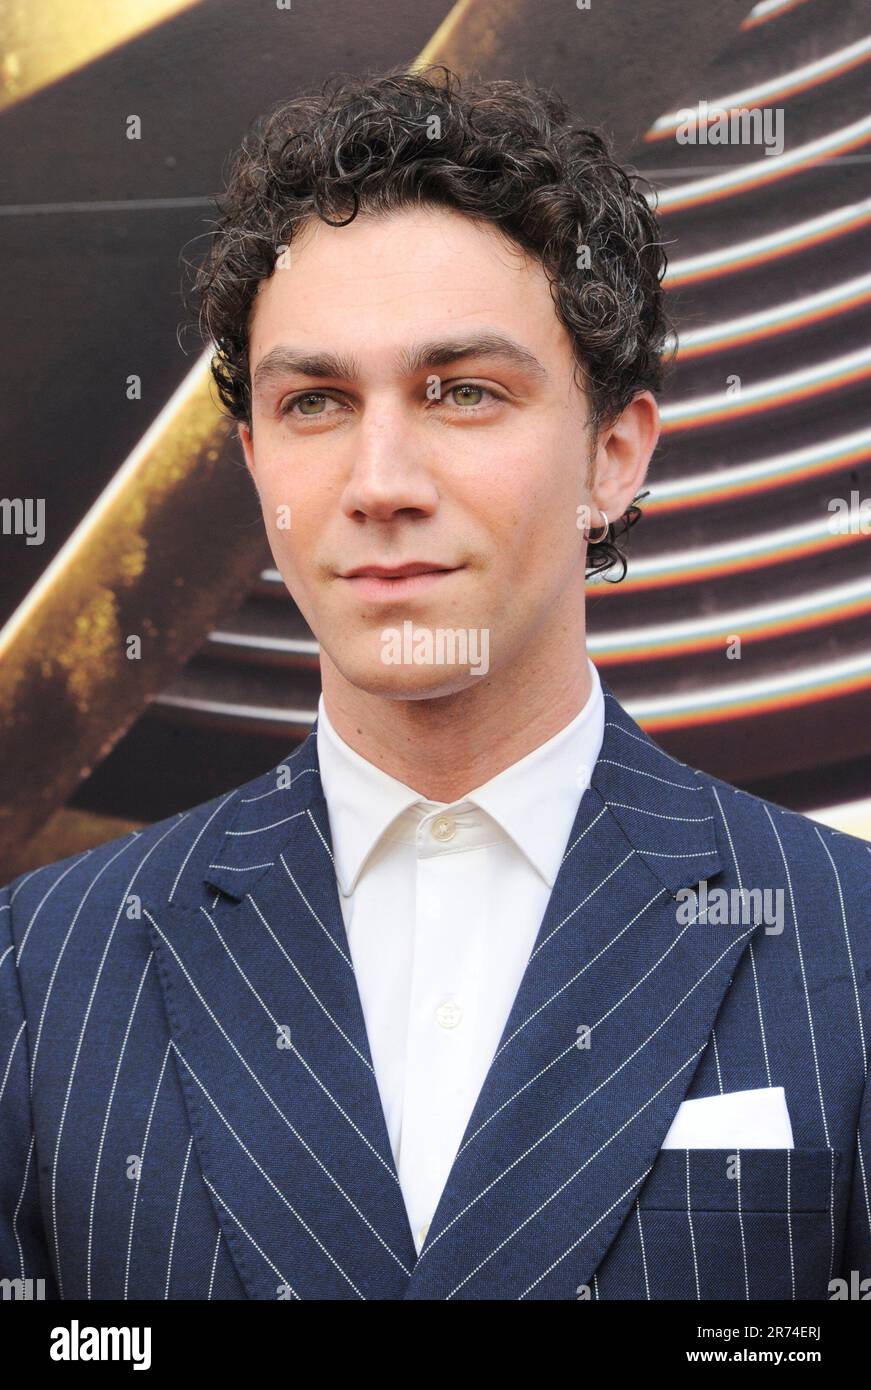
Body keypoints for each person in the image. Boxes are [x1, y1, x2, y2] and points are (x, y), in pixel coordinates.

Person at [1, 66, 868, 1302]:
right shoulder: (49, 966)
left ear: (612, 455)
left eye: (463, 391)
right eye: (316, 402)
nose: (380, 477)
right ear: (254, 467)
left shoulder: (847, 939)